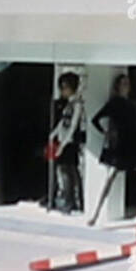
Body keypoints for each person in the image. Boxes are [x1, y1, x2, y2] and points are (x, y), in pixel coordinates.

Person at [87, 74, 136, 226]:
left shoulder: (130, 104)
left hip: (131, 141)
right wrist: (106, 133)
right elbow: (95, 119)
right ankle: (96, 213)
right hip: (121, 142)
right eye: (124, 84)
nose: (127, 87)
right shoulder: (114, 103)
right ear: (118, 86)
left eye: (128, 83)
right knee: (111, 178)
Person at [48, 72, 84, 214]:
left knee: (70, 172)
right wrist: (54, 134)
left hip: (70, 142)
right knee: (65, 171)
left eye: (65, 87)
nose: (63, 90)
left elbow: (73, 125)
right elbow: (63, 122)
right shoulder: (68, 104)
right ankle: (69, 200)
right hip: (63, 139)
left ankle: (73, 201)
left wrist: (63, 145)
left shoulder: (77, 104)